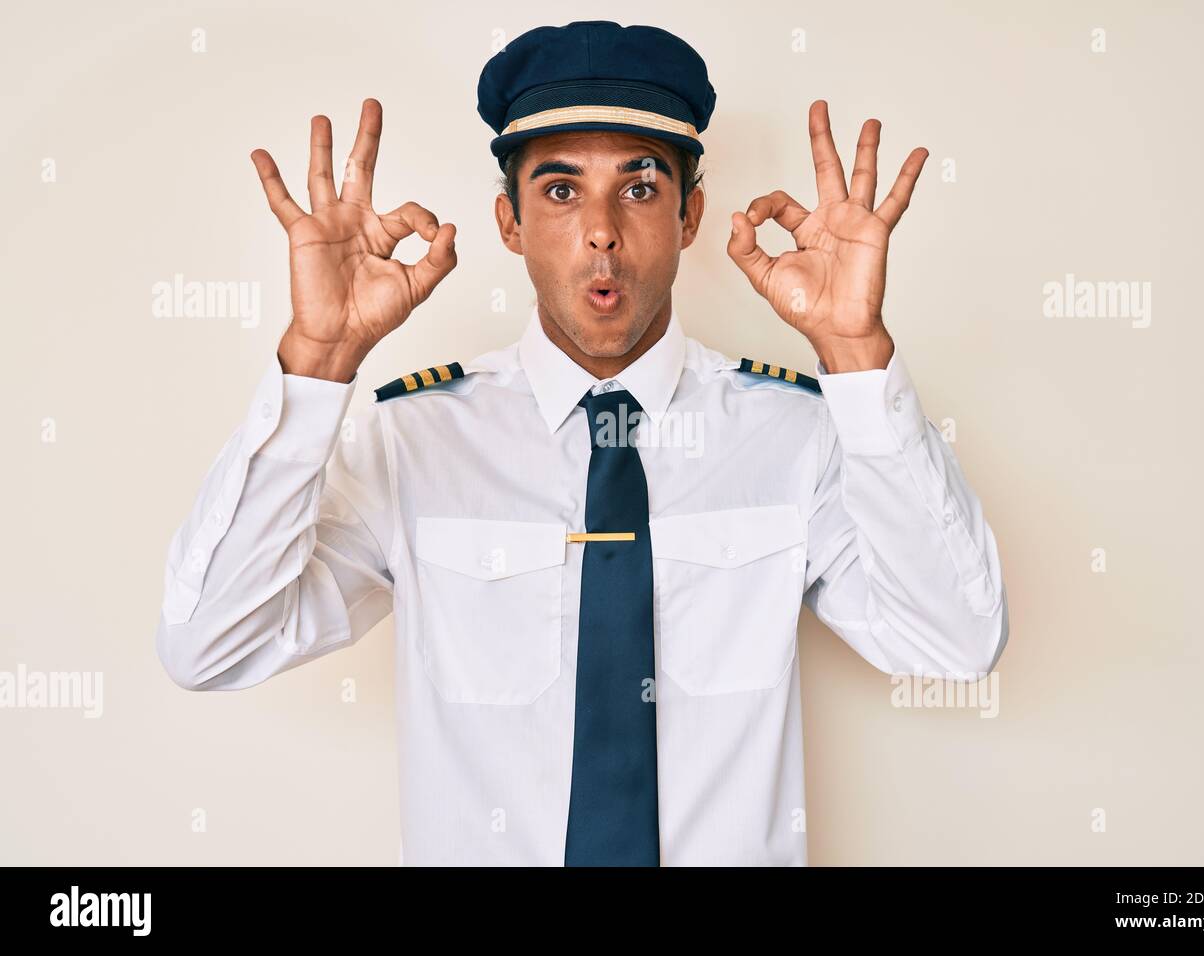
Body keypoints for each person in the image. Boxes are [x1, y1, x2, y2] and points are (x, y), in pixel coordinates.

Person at [155, 19, 1009, 866]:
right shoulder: (408, 440)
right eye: (561, 191)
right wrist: (318, 362)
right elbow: (209, 644)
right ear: (511, 222)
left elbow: (957, 644)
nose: (601, 230)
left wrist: (856, 356)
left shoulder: (796, 434)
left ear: (689, 216)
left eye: (639, 189)